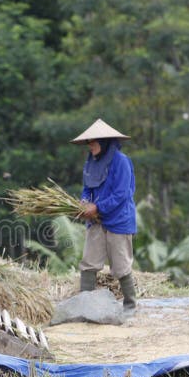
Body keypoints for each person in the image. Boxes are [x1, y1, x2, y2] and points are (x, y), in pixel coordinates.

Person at [71, 119, 137, 310]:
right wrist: (84, 203)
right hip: (96, 220)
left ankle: (130, 306)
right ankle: (85, 305)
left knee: (121, 265)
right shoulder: (91, 162)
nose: (90, 145)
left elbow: (121, 194)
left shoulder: (121, 162)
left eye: (93, 141)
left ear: (105, 141)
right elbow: (86, 188)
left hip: (118, 219)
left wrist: (97, 207)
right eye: (88, 142)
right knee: (89, 262)